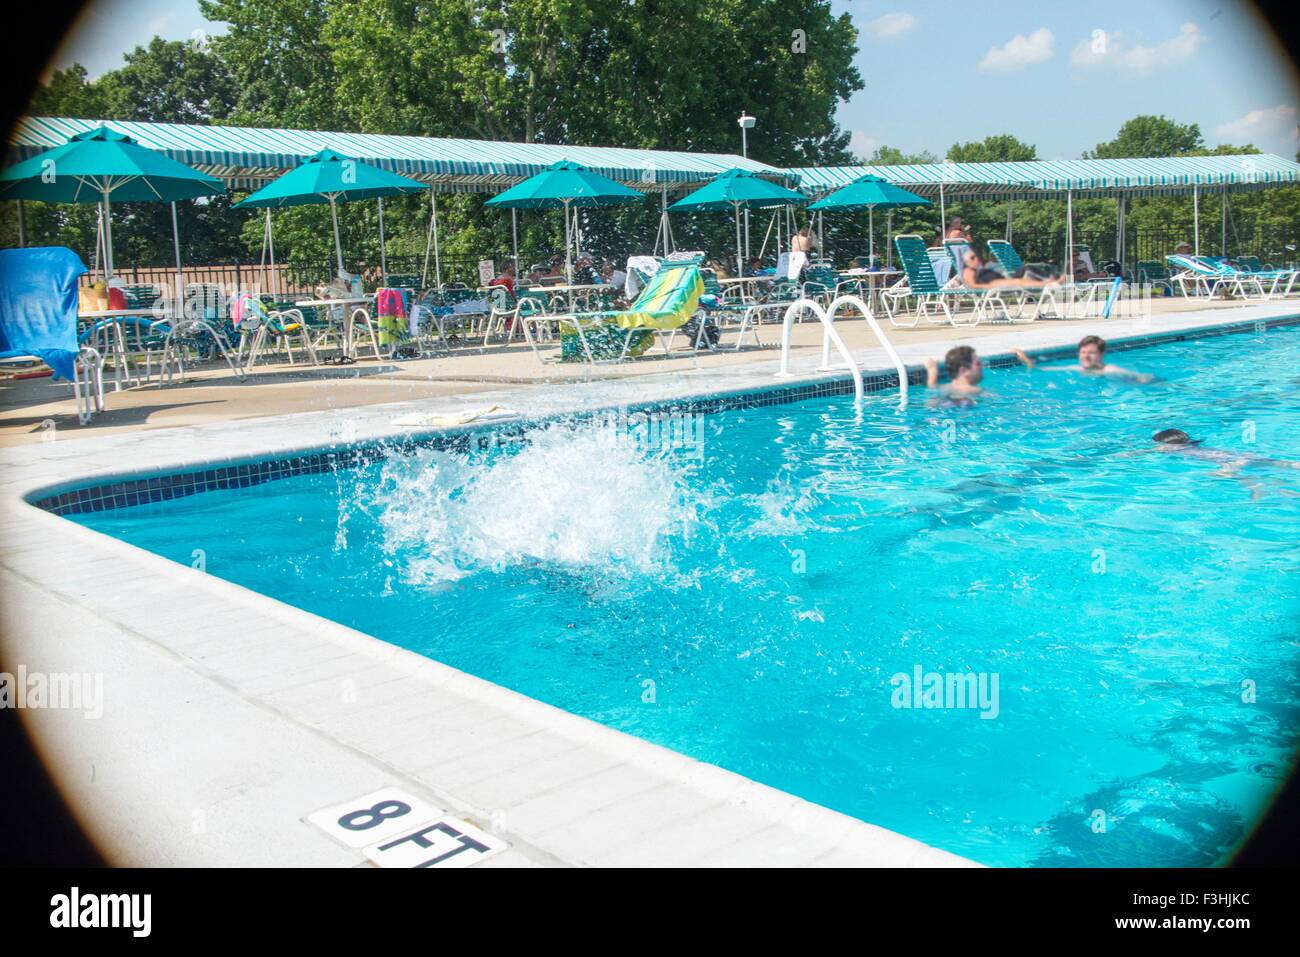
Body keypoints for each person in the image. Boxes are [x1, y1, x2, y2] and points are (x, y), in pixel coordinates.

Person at [1014, 336, 1153, 383]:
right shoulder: (1076, 369)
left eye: (1091, 353)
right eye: (1083, 352)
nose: (1086, 356)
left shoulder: (1111, 370)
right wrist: (1026, 360)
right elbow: (1039, 369)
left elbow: (1142, 378)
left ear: (1101, 354)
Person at [960, 248, 1060, 289]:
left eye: (975, 256)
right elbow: (973, 285)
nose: (976, 258)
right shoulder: (969, 270)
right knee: (1021, 277)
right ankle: (1048, 282)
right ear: (966, 261)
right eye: (972, 258)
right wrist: (988, 286)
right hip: (994, 283)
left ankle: (1047, 281)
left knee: (1025, 272)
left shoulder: (979, 269)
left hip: (1001, 278)